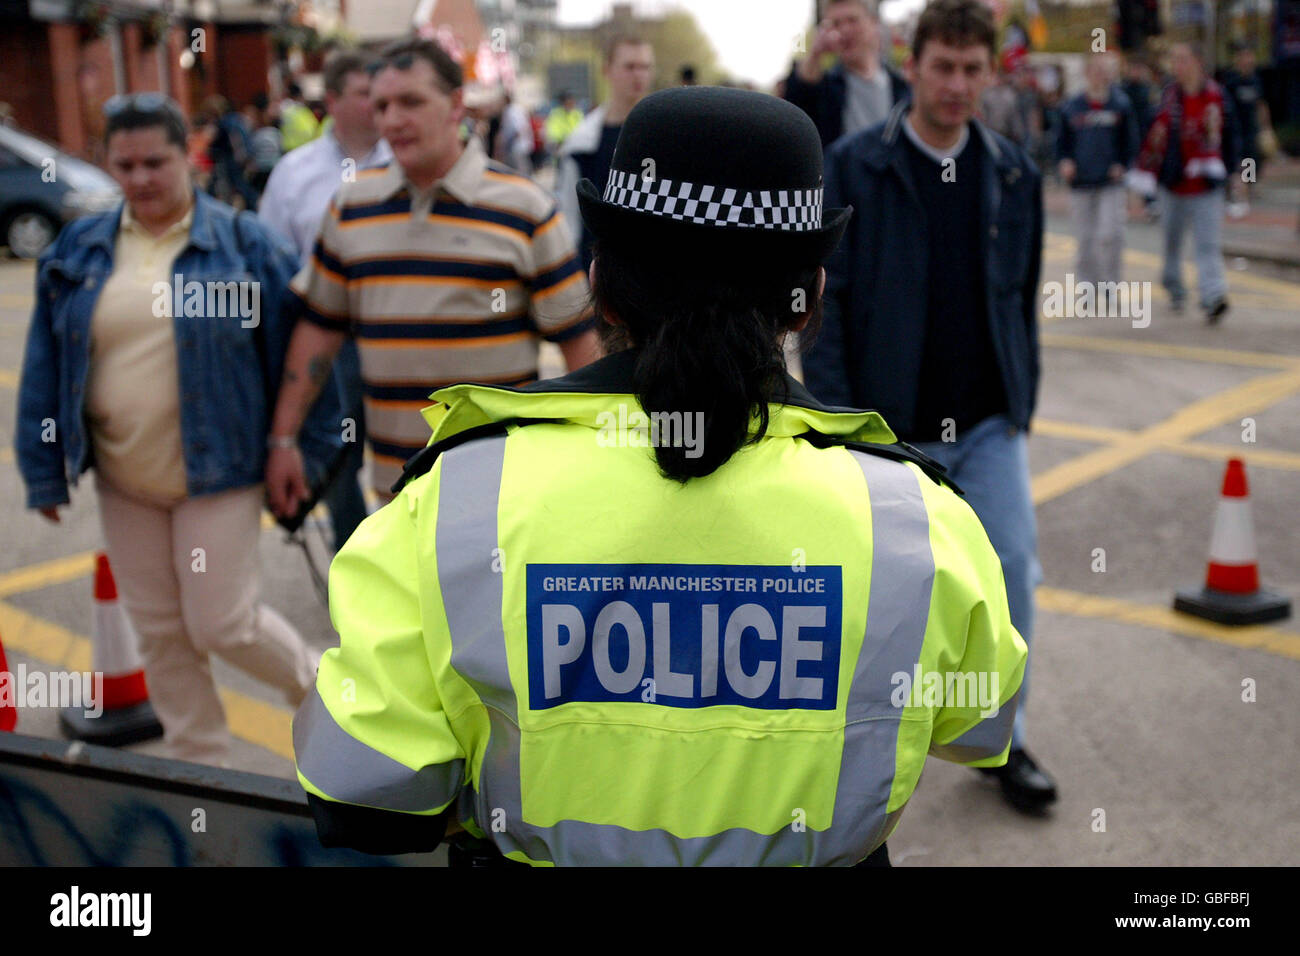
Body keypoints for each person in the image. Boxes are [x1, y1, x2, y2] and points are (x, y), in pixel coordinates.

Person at [291, 85, 1028, 866]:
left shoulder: (455, 499)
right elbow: (979, 728)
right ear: (808, 300)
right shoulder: (915, 518)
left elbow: (367, 803)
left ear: (600, 285)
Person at [15, 94, 342, 766]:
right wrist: (44, 468)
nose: (140, 178)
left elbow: (304, 355)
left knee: (223, 621)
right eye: (124, 164)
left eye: (155, 162)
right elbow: (45, 363)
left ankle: (321, 693)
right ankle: (202, 771)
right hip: (125, 478)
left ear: (186, 157)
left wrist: (301, 452)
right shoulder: (81, 248)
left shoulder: (247, 245)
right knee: (161, 631)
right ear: (107, 164)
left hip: (219, 472)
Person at [801, 0, 1055, 813]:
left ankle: (997, 739)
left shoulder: (1014, 170)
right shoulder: (854, 164)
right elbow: (825, 308)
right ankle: (854, 758)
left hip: (985, 421)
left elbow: (1020, 297)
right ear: (914, 65)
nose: (956, 84)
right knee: (878, 599)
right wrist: (843, 423)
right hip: (890, 428)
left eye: (972, 69)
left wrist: (1023, 400)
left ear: (990, 72)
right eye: (942, 66)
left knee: (1013, 569)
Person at [263, 38, 601, 515]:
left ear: (456, 104)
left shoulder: (525, 209)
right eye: (381, 105)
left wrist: (600, 455)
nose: (392, 120)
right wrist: (282, 441)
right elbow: (319, 329)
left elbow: (581, 346)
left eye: (411, 101)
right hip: (396, 501)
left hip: (502, 497)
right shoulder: (350, 208)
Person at [260, 50, 393, 553]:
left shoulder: (406, 164)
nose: (379, 107)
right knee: (338, 457)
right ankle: (354, 559)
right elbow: (273, 265)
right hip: (326, 344)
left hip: (398, 337)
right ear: (333, 100)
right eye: (366, 95)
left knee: (409, 455)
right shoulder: (293, 175)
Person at [1135, 43, 1238, 324]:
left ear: (1198, 62)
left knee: (1208, 245)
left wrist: (1239, 173)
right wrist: (1147, 179)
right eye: (1174, 60)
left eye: (1183, 59)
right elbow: (1150, 137)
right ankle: (1174, 287)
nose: (1177, 66)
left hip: (1206, 186)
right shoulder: (1166, 97)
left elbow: (1233, 137)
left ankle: (1213, 296)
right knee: (1171, 245)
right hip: (1173, 185)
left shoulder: (1218, 96)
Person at [555, 34, 655, 274]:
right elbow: (569, 217)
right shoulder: (581, 146)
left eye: (645, 67)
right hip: (596, 276)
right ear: (607, 70)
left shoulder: (667, 136)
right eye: (630, 66)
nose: (638, 75)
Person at [1057, 52, 1139, 287]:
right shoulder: (1072, 106)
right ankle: (1087, 286)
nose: (1098, 75)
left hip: (1110, 182)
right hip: (1081, 181)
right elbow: (1061, 143)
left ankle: (1110, 283)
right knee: (1085, 239)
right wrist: (1065, 161)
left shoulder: (1120, 105)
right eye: (1094, 70)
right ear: (1086, 73)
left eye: (1103, 71)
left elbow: (1130, 141)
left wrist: (1122, 165)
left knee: (1111, 235)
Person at [783, 0, 910, 149]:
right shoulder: (827, 88)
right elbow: (795, 103)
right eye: (836, 24)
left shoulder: (902, 87)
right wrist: (815, 53)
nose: (845, 30)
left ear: (874, 23)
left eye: (852, 20)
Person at [279, 81, 321, 153]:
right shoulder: (302, 111)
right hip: (303, 147)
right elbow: (312, 130)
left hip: (287, 148)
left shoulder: (283, 110)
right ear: (300, 95)